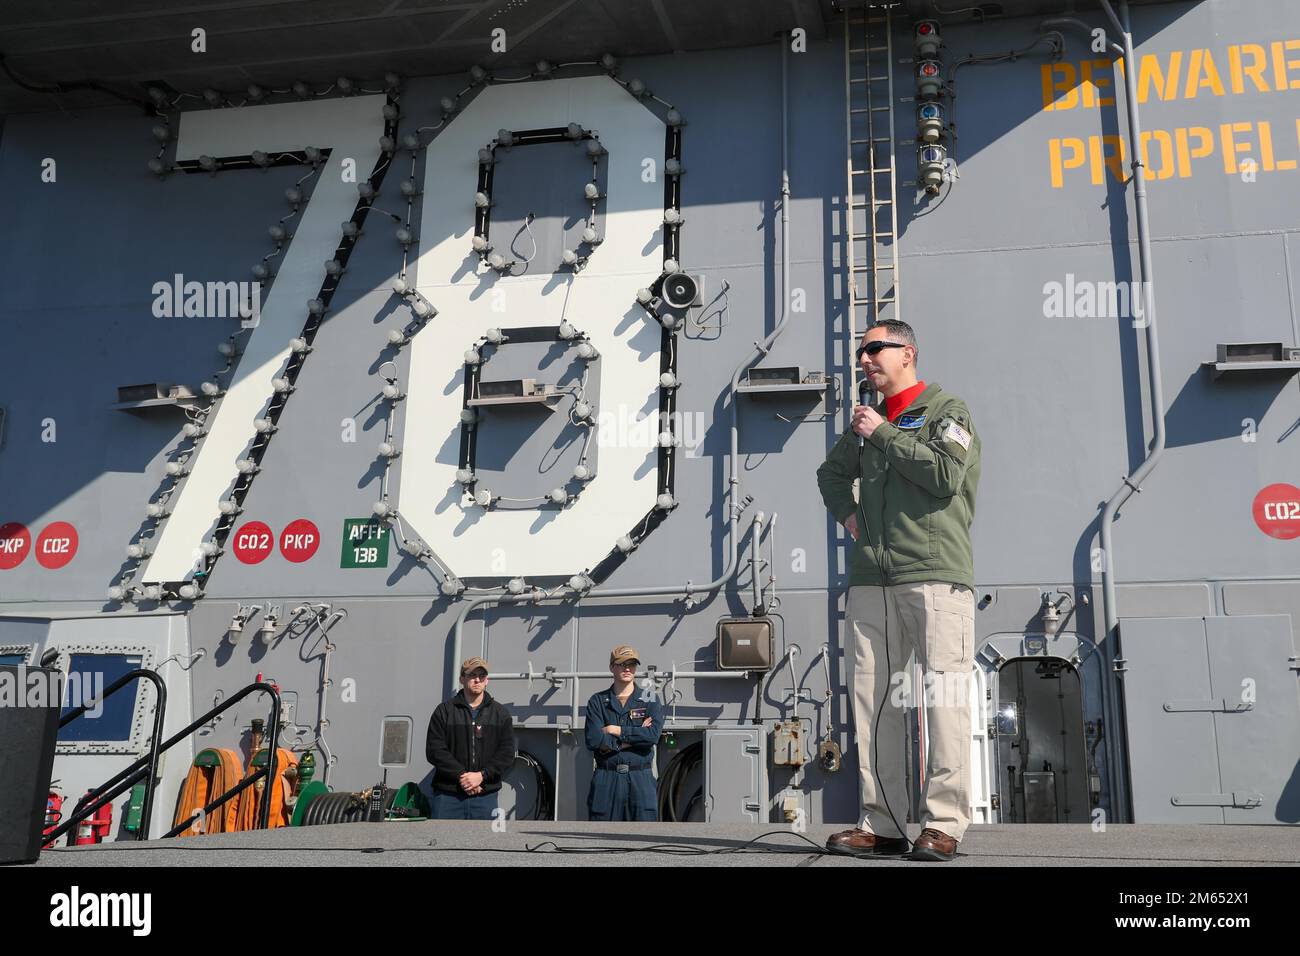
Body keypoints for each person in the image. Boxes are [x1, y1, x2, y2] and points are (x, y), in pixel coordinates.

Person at [815, 319, 981, 862]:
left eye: (873, 349)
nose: (864, 359)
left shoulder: (945, 411)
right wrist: (852, 519)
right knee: (872, 703)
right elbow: (830, 475)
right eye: (861, 352)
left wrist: (882, 434)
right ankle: (881, 824)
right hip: (871, 581)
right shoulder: (868, 420)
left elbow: (943, 477)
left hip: (934, 576)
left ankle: (944, 823)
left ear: (907, 352)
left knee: (945, 701)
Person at [425, 656, 517, 820]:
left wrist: (481, 776)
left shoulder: (500, 714)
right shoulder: (444, 711)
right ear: (462, 679)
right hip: (448, 796)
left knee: (484, 843)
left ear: (487, 680)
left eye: (481, 676)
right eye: (472, 675)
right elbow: (435, 750)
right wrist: (463, 777)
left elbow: (507, 753)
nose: (477, 680)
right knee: (442, 843)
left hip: (485, 796)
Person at [584, 645, 664, 821]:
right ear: (612, 667)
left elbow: (652, 736)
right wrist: (635, 736)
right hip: (607, 777)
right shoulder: (597, 701)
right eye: (622, 664)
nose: (627, 668)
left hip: (640, 779)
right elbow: (594, 740)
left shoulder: (650, 699)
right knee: (602, 837)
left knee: (643, 836)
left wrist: (615, 730)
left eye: (632, 664)